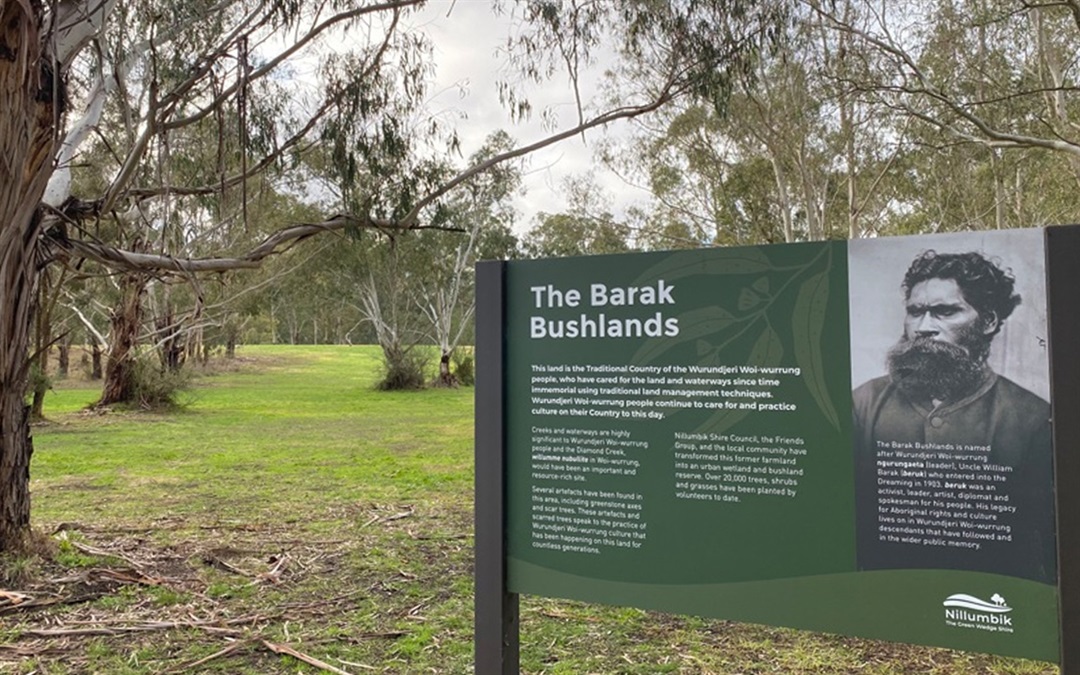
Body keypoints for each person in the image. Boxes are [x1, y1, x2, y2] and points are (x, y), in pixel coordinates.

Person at [853, 250, 1056, 584]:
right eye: (915, 312)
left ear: (988, 321)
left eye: (944, 312)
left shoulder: (1032, 417)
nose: (924, 327)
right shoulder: (863, 404)